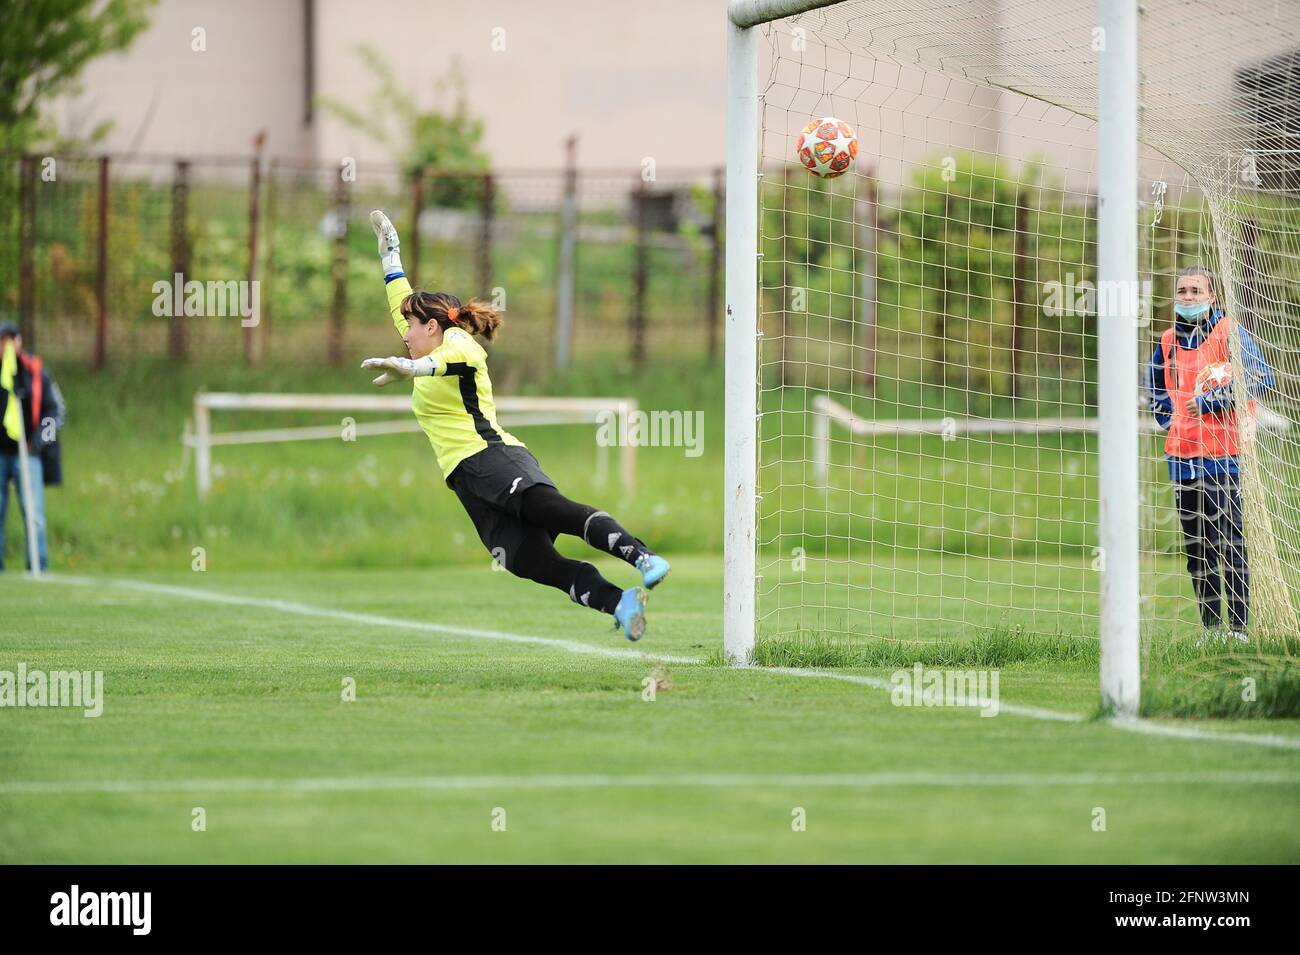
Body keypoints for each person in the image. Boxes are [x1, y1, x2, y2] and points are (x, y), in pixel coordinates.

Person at [359, 212, 670, 641]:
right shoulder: (425, 337)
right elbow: (401, 302)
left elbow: (445, 363)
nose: (404, 334)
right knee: (527, 561)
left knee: (555, 513)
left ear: (431, 326)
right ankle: (621, 603)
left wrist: (412, 369)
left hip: (494, 457)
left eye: (410, 327)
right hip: (467, 480)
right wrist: (390, 255)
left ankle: (644, 558)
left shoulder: (457, 343)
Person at [1144, 267, 1273, 641]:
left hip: (1223, 455)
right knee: (1197, 550)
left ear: (1211, 297)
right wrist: (1166, 416)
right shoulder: (1168, 340)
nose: (1187, 296)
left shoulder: (1228, 333)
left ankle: (1239, 629)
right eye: (1182, 290)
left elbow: (1263, 377)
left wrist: (1215, 401)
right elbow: (1153, 384)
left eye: (1195, 290)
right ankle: (1211, 629)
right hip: (1181, 459)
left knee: (1227, 542)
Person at [0, 322, 66, 573]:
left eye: (10, 339)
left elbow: (56, 411)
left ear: (19, 342)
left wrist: (38, 441)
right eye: (2, 340)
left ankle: (38, 565)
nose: (6, 345)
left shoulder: (34, 371)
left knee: (34, 514)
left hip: (28, 454)